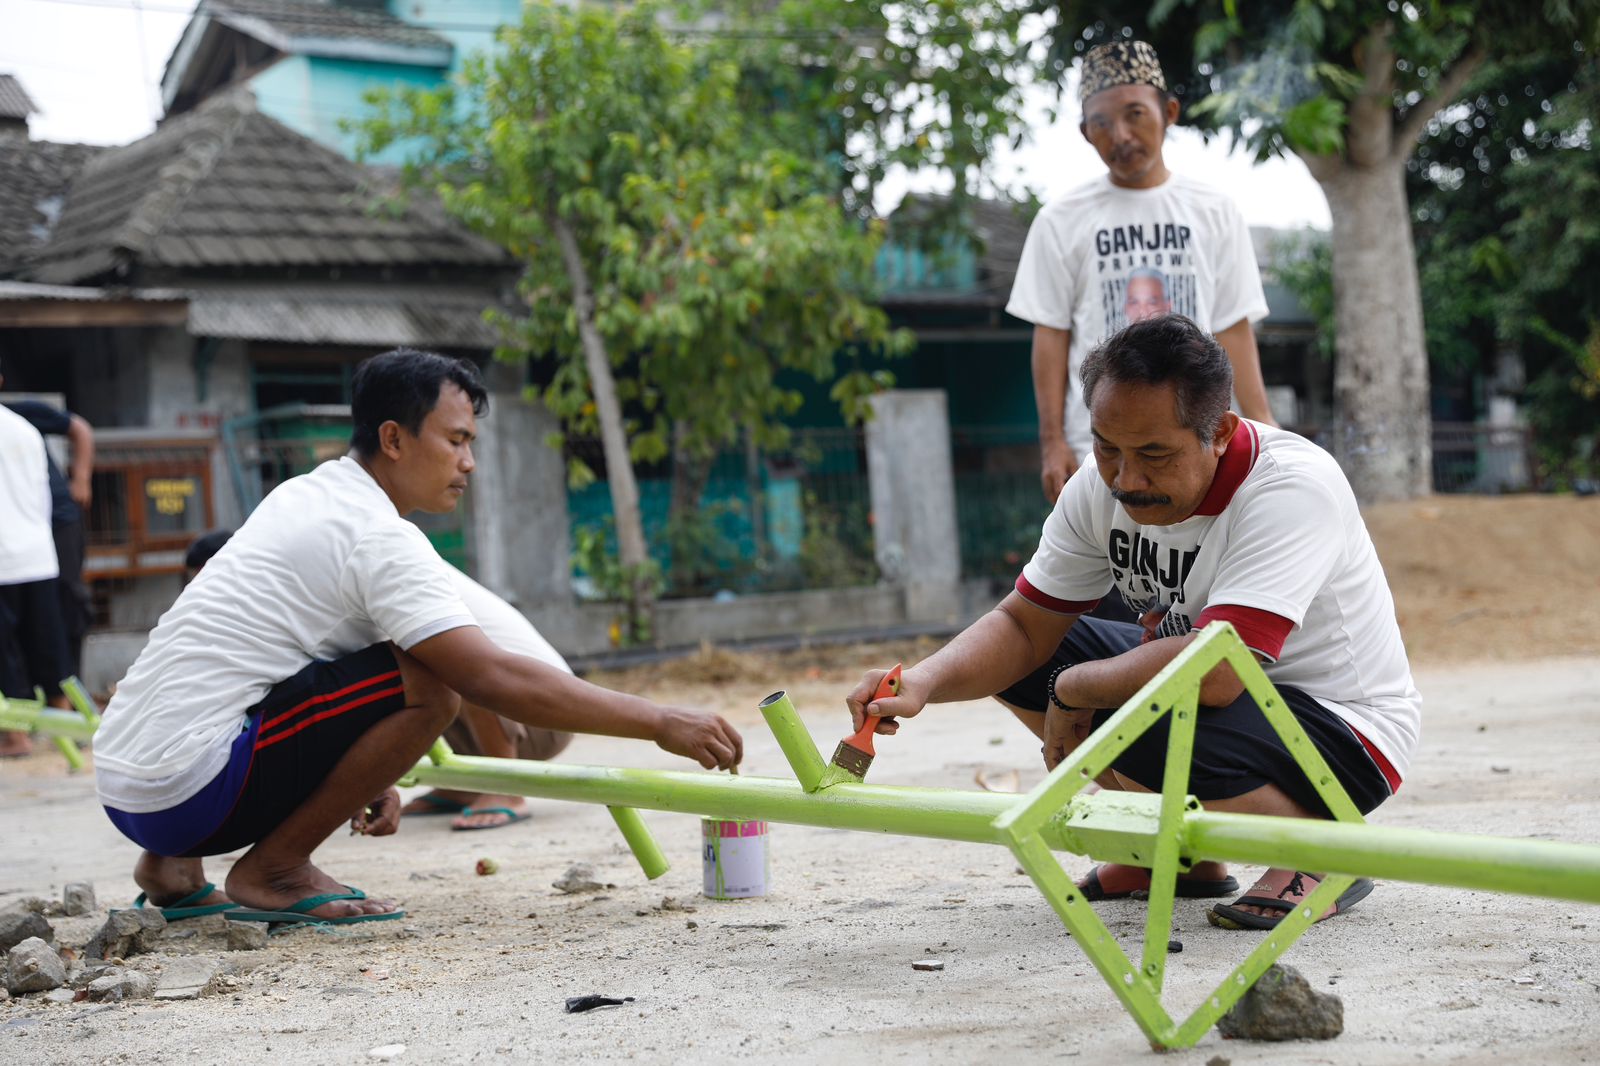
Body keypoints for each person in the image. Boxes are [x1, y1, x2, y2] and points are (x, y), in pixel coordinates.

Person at [94, 348, 743, 925]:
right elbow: (491, 677)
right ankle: (277, 869)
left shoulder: (305, 493)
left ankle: (169, 871)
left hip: (128, 789)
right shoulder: (380, 537)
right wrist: (660, 720)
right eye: (456, 440)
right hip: (192, 791)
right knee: (433, 685)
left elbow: (307, 663)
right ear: (394, 439)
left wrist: (358, 766)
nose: (469, 462)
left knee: (353, 668)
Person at [845, 316, 1419, 930]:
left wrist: (1078, 689)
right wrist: (925, 682)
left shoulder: (1291, 487)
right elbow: (1022, 627)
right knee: (1045, 670)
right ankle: (1173, 853)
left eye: (1153, 454)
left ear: (1220, 432)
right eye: (1106, 447)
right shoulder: (1100, 486)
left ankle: (1322, 850)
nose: (1125, 478)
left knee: (1127, 713)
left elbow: (1220, 671)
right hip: (1229, 705)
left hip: (1345, 731)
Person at [1008, 40, 1278, 506]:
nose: (1121, 135)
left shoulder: (1213, 210)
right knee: (1105, 573)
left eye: (1135, 114)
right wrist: (1052, 442)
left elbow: (1233, 325)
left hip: (1197, 443)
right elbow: (1050, 335)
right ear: (1085, 132)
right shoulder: (1061, 220)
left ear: (1169, 112)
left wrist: (1265, 428)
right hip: (1101, 451)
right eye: (1102, 123)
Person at [188, 527, 576, 833]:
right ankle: (464, 784)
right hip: (480, 722)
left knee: (451, 656)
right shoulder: (307, 587)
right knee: (375, 678)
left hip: (541, 715)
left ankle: (503, 789)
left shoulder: (363, 564)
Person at [0, 360, 96, 688]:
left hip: (55, 523)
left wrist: (81, 478)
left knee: (66, 604)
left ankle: (68, 690)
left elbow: (79, 428)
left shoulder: (18, 417)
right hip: (13, 537)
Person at [0, 402, 74, 758]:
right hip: (36, 550)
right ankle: (66, 722)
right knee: (48, 642)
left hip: (3, 554)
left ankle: (17, 737)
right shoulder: (24, 428)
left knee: (5, 652)